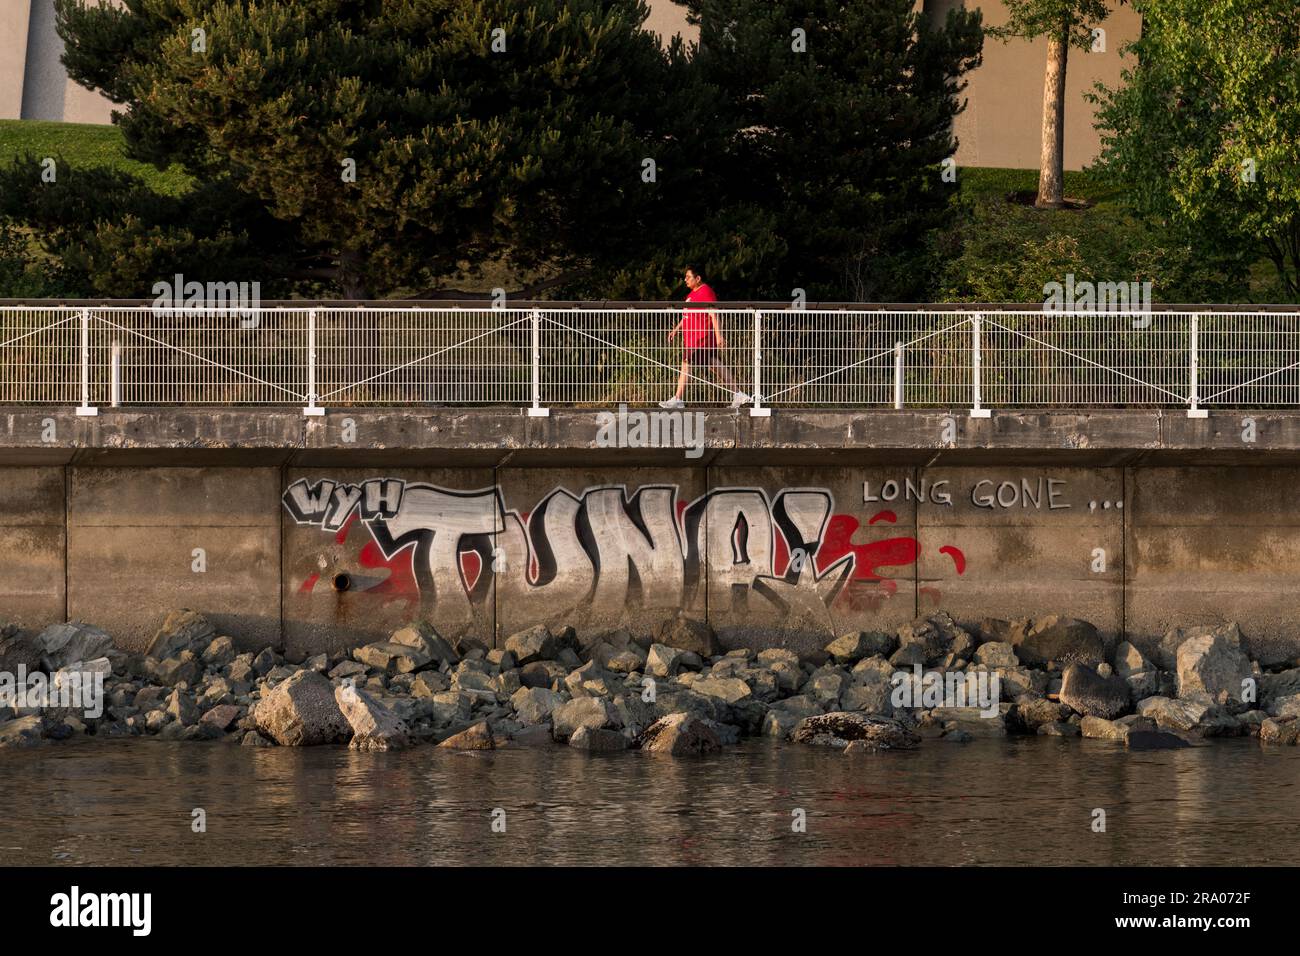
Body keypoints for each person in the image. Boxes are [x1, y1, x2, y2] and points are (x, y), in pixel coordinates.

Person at [659, 266, 750, 409]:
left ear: (698, 278)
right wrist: (676, 329)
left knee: (686, 363)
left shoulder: (705, 291)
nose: (685, 279)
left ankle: (677, 398)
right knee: (714, 364)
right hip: (692, 338)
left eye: (688, 277)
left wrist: (719, 335)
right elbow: (688, 315)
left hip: (700, 337)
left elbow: (713, 313)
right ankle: (738, 393)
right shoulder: (691, 295)